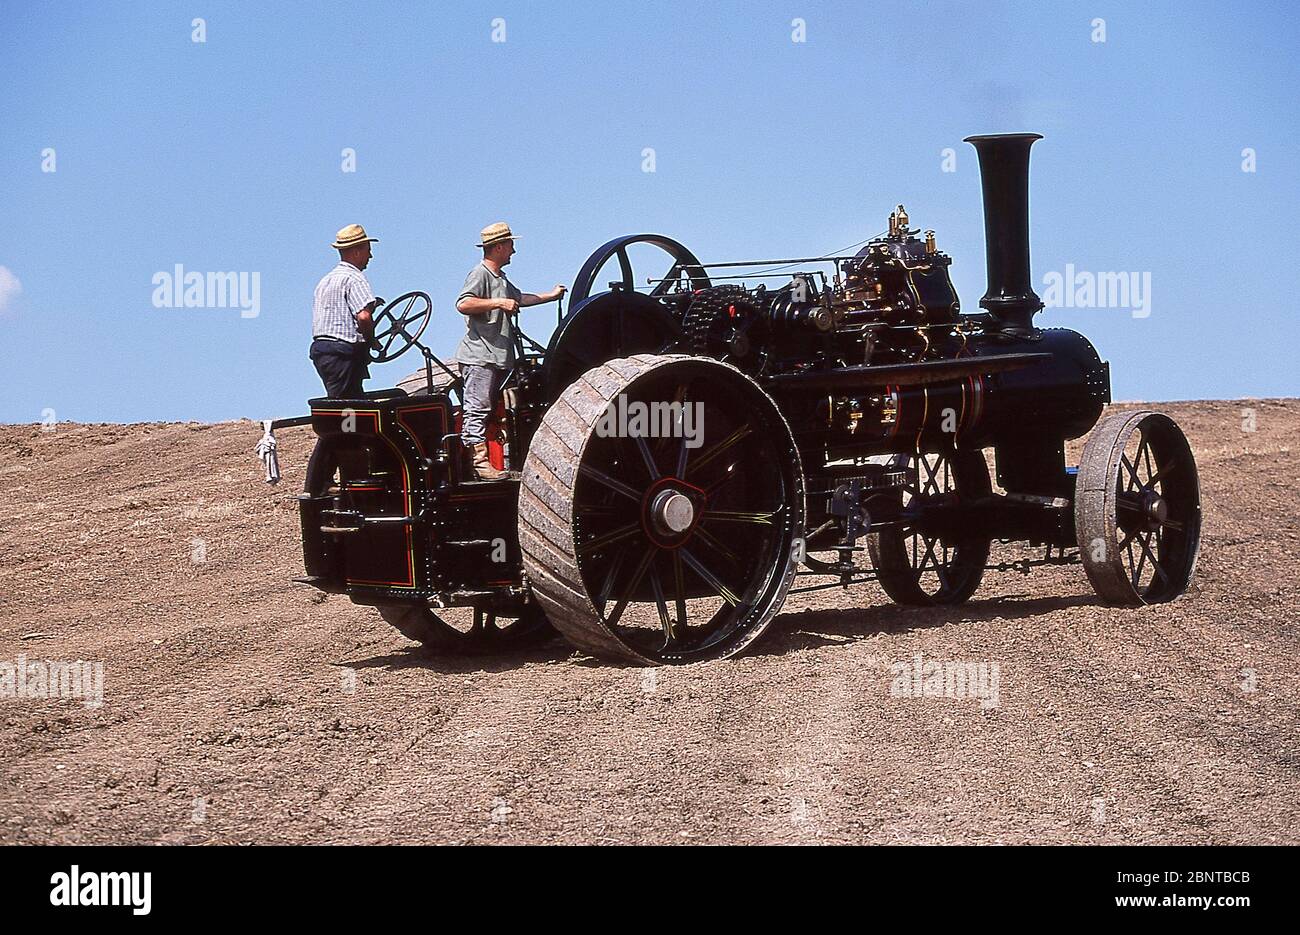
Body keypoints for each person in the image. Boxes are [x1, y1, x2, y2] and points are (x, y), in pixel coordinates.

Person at [455, 222, 565, 480]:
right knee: (478, 409)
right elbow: (463, 303)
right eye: (511, 246)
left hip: (494, 357)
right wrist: (498, 302)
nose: (514, 251)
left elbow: (520, 299)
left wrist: (551, 295)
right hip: (479, 356)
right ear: (500, 247)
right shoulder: (480, 273)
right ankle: (479, 465)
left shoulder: (500, 278)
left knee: (488, 409)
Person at [310, 224, 381, 398]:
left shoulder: (326, 281)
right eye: (367, 250)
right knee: (347, 406)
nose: (370, 256)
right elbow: (363, 317)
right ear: (356, 252)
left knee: (345, 398)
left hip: (323, 352)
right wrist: (372, 341)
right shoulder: (355, 278)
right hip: (343, 354)